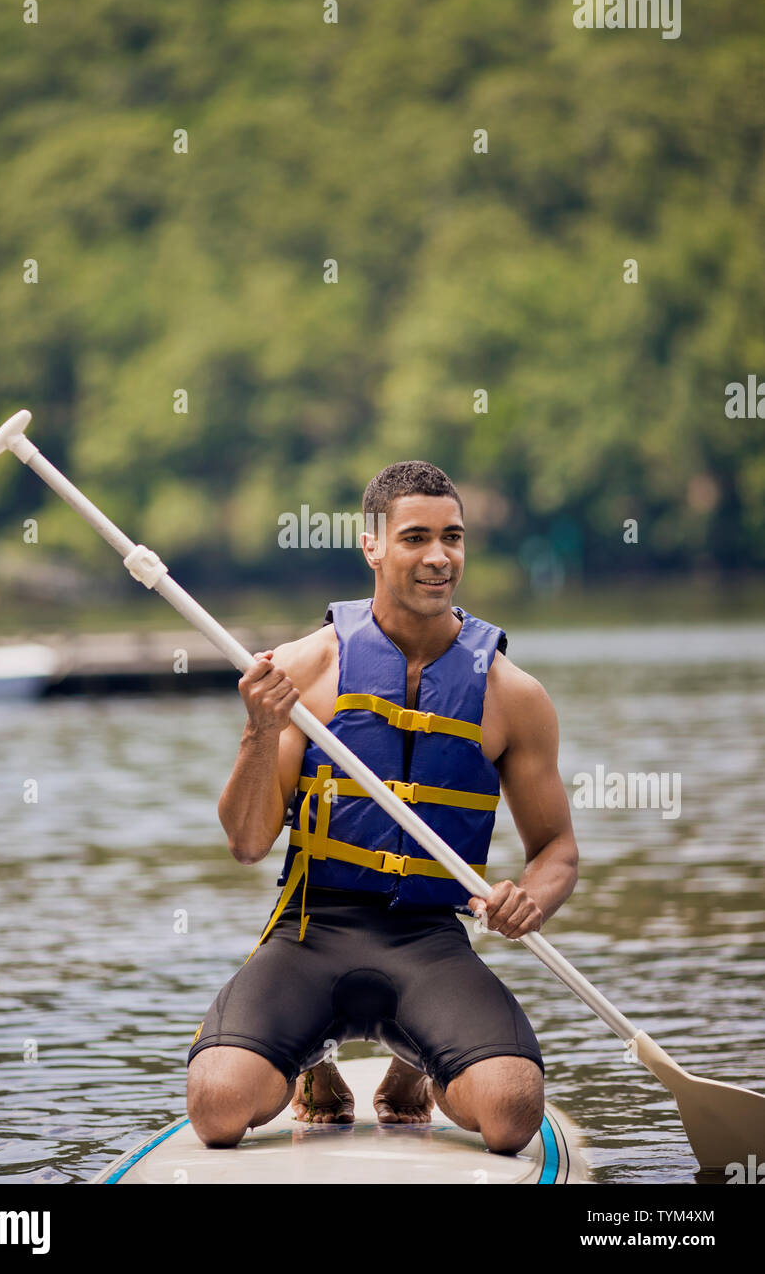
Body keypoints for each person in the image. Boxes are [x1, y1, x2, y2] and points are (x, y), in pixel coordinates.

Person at [186, 461, 578, 1151]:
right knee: (218, 1109)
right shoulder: (303, 671)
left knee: (512, 1116)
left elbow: (558, 851)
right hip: (312, 930)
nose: (439, 557)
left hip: (429, 940)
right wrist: (260, 730)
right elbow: (248, 844)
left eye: (452, 538)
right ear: (371, 546)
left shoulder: (513, 694)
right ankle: (310, 1063)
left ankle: (417, 1061)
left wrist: (533, 898)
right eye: (415, 538)